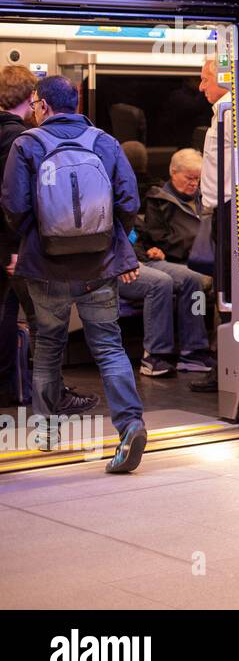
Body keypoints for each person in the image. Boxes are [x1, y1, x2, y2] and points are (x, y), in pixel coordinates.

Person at [1, 76, 148, 473]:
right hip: (98, 267)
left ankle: (46, 433)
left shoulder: (26, 145)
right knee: (110, 348)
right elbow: (128, 200)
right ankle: (130, 425)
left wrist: (41, 234)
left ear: (43, 106)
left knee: (48, 349)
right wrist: (107, 240)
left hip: (45, 269)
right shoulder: (105, 142)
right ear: (76, 101)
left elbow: (13, 207)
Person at [0, 66, 97, 414]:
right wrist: (15, 247)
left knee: (8, 317)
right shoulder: (21, 140)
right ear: (31, 99)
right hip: (19, 248)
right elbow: (15, 200)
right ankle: (51, 396)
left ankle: (16, 389)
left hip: (6, 248)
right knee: (44, 323)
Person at [134, 148, 215, 387]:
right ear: (173, 172)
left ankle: (196, 351)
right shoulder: (159, 200)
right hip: (177, 259)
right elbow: (157, 238)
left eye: (198, 178)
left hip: (204, 259)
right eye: (189, 177)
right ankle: (187, 350)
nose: (194, 183)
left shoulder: (205, 198)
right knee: (197, 281)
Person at [199, 57, 232, 299]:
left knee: (229, 279)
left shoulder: (232, 113)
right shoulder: (220, 112)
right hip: (221, 211)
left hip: (232, 209)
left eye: (204, 80)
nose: (201, 87)